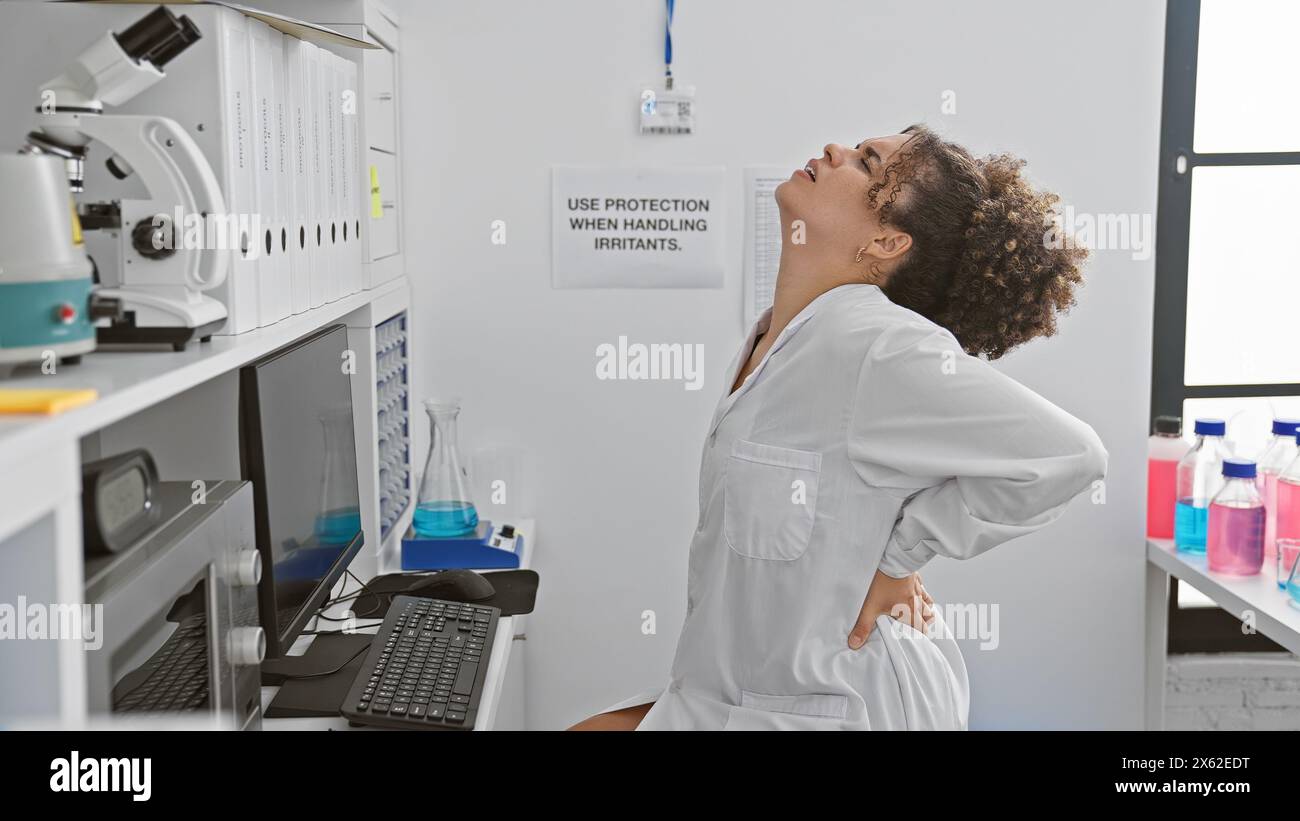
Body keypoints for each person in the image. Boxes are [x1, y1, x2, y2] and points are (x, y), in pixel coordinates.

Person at [571, 125, 1108, 730]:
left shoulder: (878, 346)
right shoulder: (778, 336)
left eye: (866, 163)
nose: (834, 150)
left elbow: (1070, 456)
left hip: (848, 701)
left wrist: (900, 557)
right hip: (738, 689)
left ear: (885, 240)